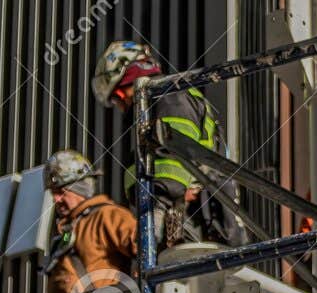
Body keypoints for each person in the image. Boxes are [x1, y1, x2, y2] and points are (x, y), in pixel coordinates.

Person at [90, 39, 241, 248]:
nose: (120, 106)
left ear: (122, 88)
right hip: (197, 220)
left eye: (117, 99)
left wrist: (155, 222)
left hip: (196, 223)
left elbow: (170, 170)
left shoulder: (168, 98)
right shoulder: (163, 101)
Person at [40, 149, 139, 293]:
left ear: (80, 187)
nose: (56, 199)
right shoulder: (66, 231)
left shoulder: (107, 216)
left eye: (61, 192)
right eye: (53, 193)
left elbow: (144, 248)